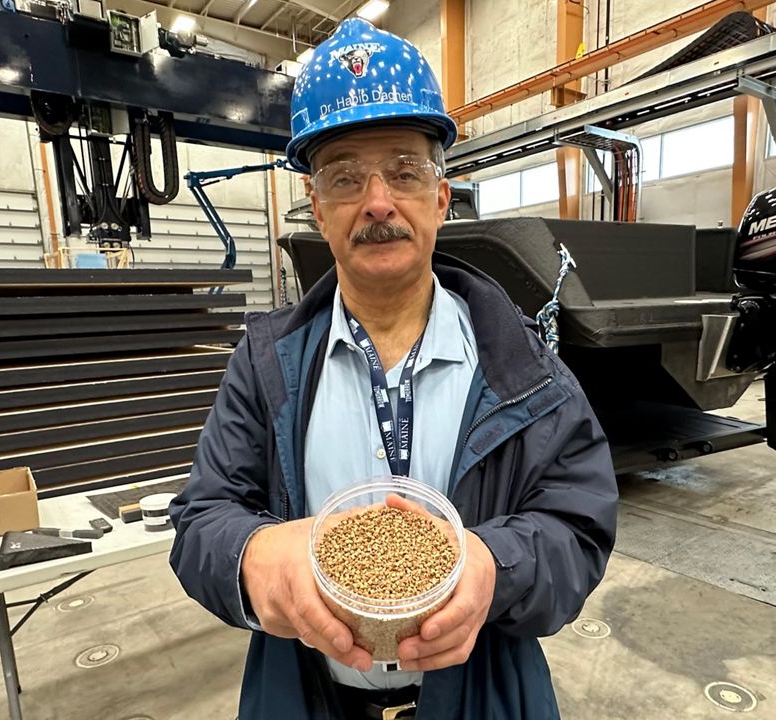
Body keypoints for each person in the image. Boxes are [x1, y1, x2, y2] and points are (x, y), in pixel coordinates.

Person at [169, 18, 618, 720]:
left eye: (405, 170)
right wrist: (253, 556)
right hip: (307, 696)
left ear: (441, 197)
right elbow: (201, 520)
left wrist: (492, 566)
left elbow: (580, 527)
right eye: (345, 177)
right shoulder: (264, 367)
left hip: (484, 692)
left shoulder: (524, 369)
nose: (378, 201)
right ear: (318, 209)